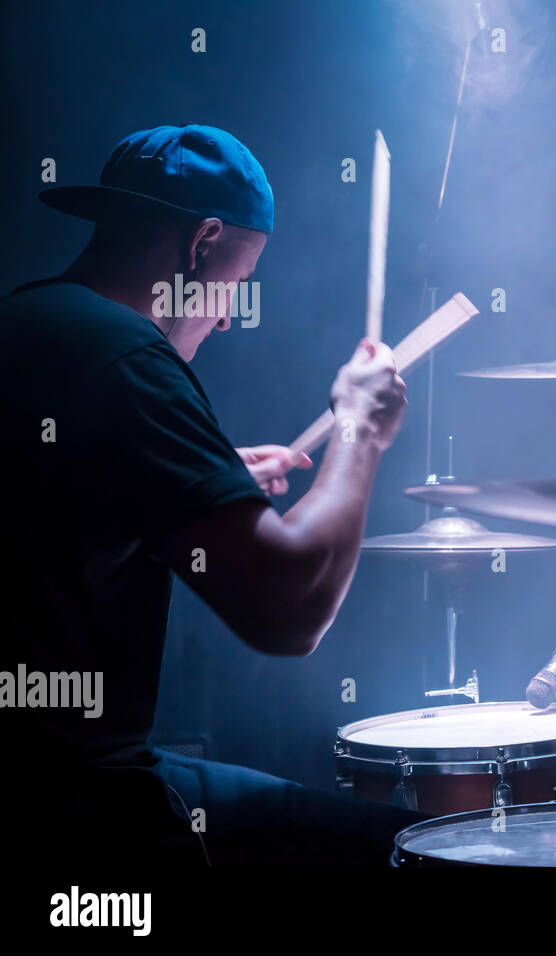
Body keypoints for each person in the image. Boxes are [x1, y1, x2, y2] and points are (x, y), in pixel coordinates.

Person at [0, 124, 426, 866]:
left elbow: (60, 498)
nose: (230, 315)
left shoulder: (27, 322)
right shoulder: (131, 356)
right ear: (202, 245)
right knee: (408, 855)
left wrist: (203, 477)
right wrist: (359, 431)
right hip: (77, 805)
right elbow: (288, 613)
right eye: (237, 281)